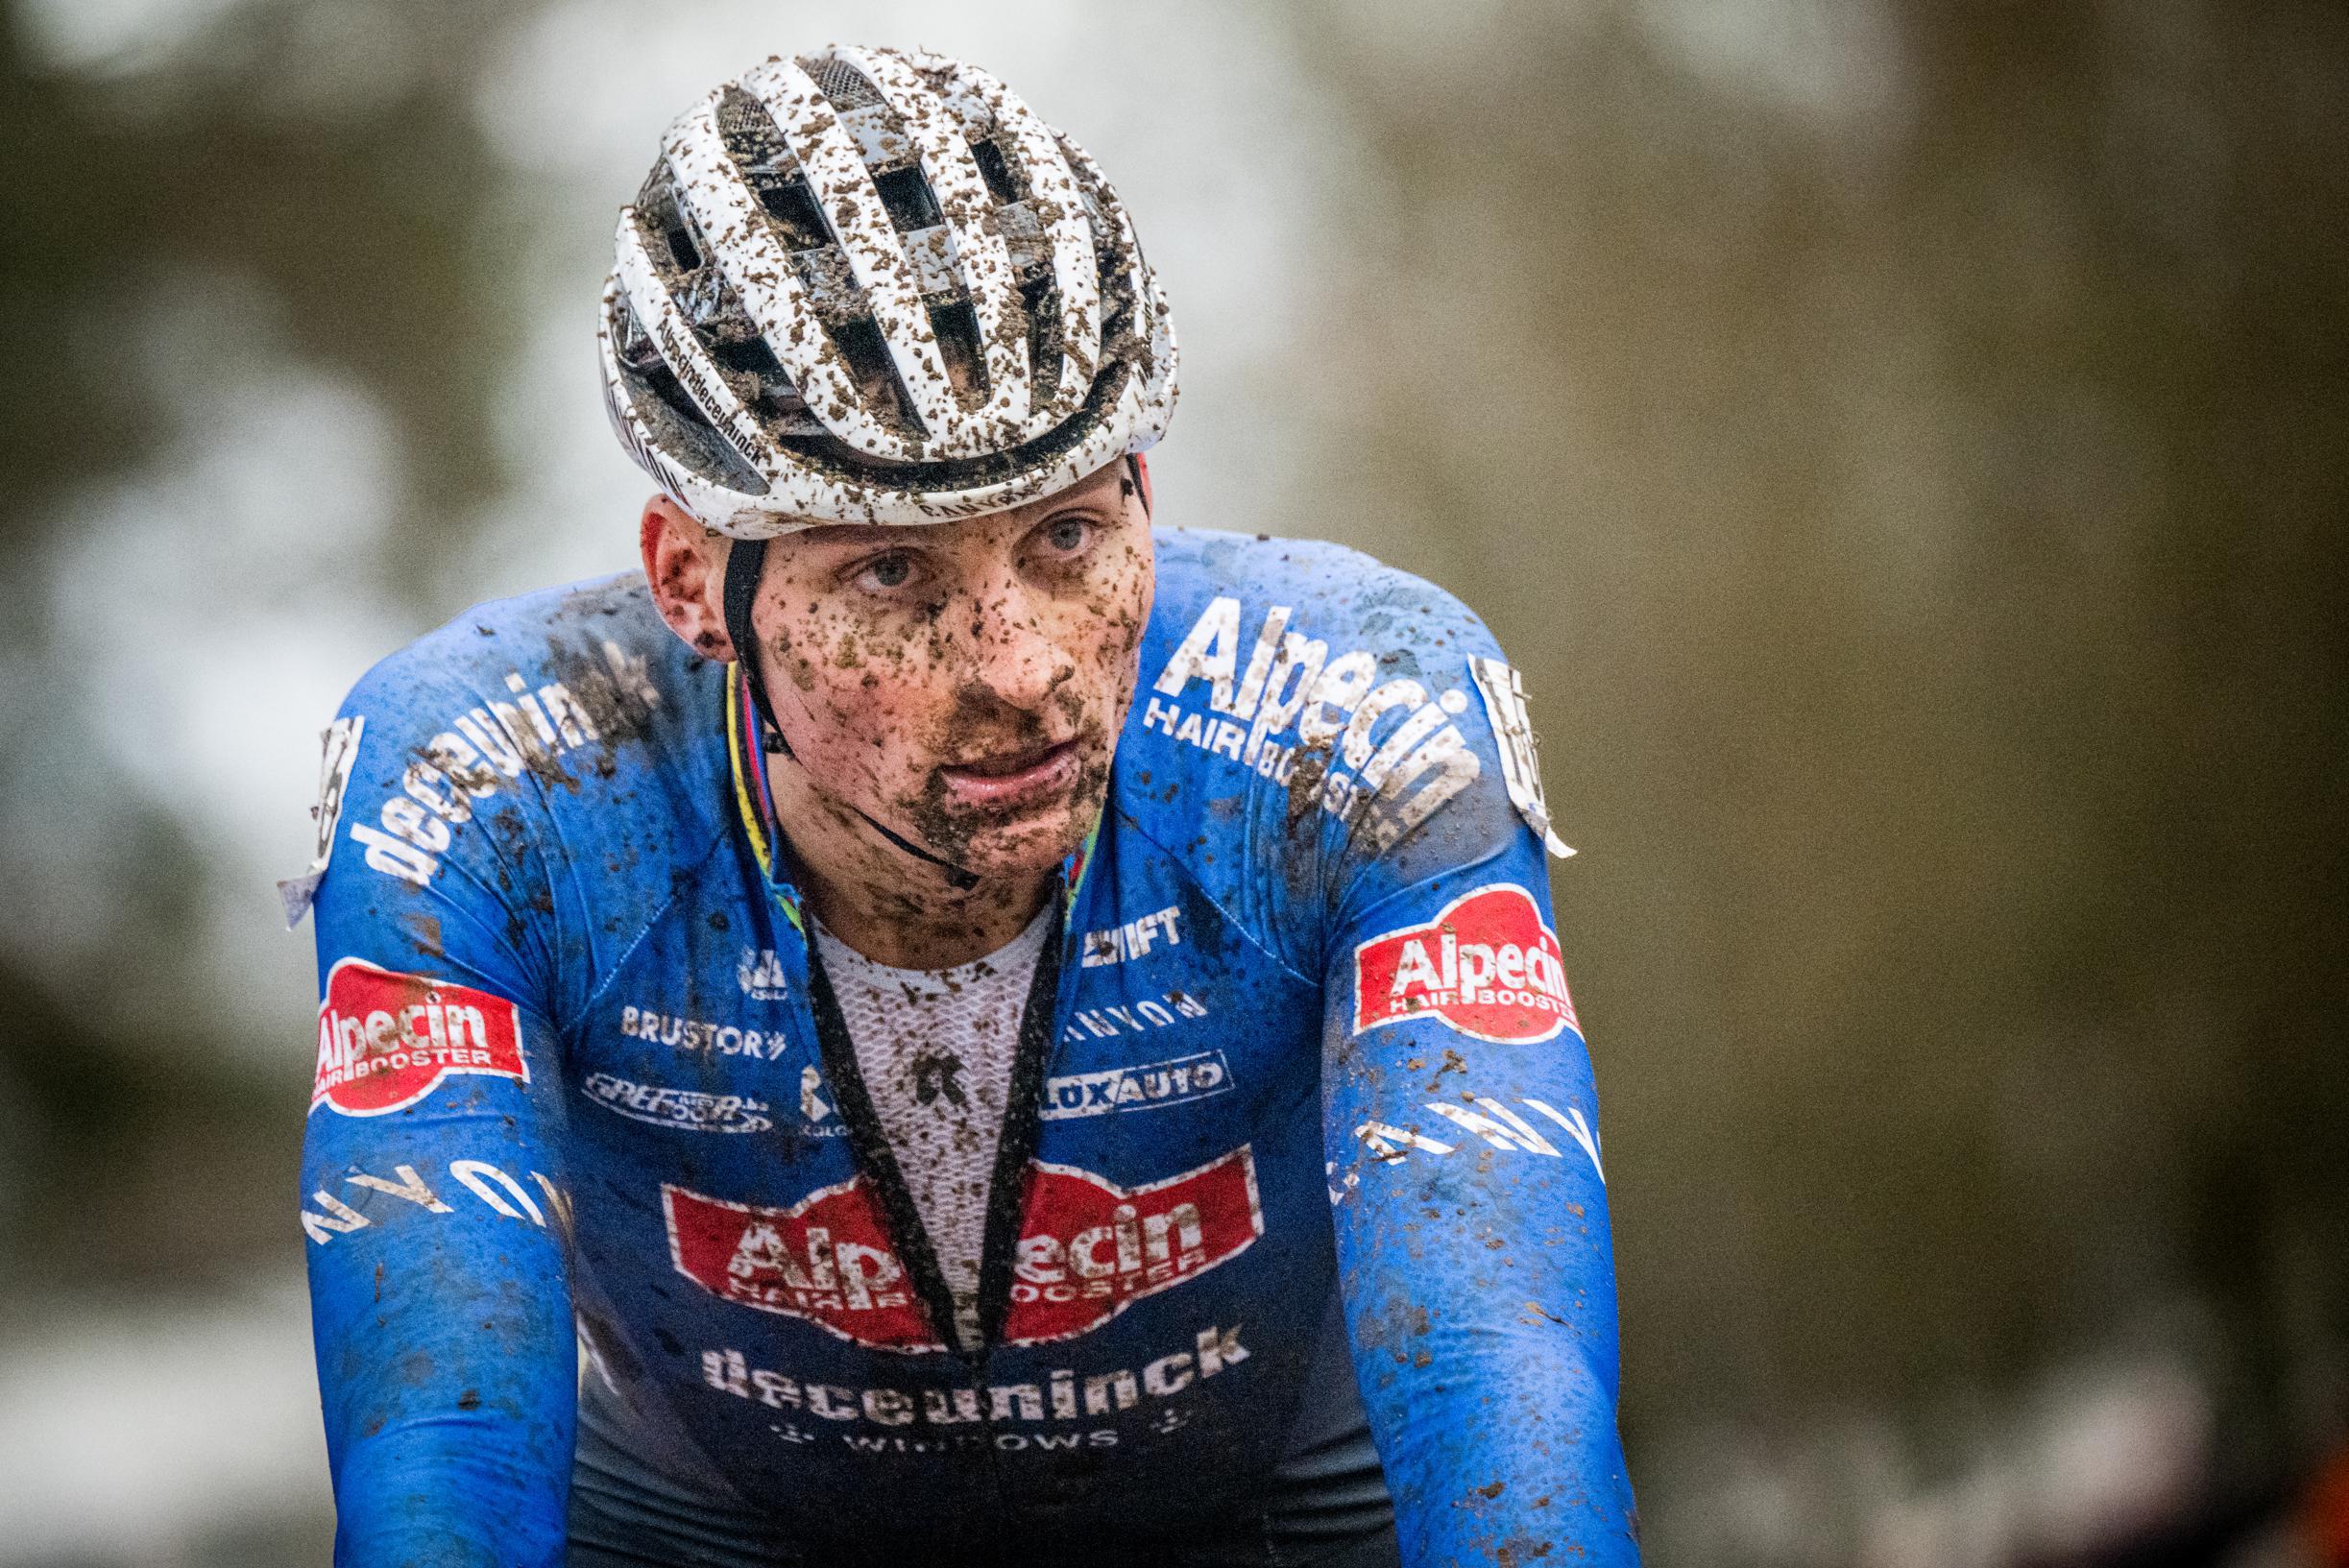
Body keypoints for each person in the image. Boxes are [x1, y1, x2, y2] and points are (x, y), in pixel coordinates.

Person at [292, 43, 1638, 1568]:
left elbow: (1498, 1375)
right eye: (889, 571)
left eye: (1067, 536)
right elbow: (440, 1446)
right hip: (710, 1521)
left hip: (1277, 1496)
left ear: (1143, 491)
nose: (1020, 668)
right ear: (691, 581)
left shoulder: (1355, 727)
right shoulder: (490, 793)